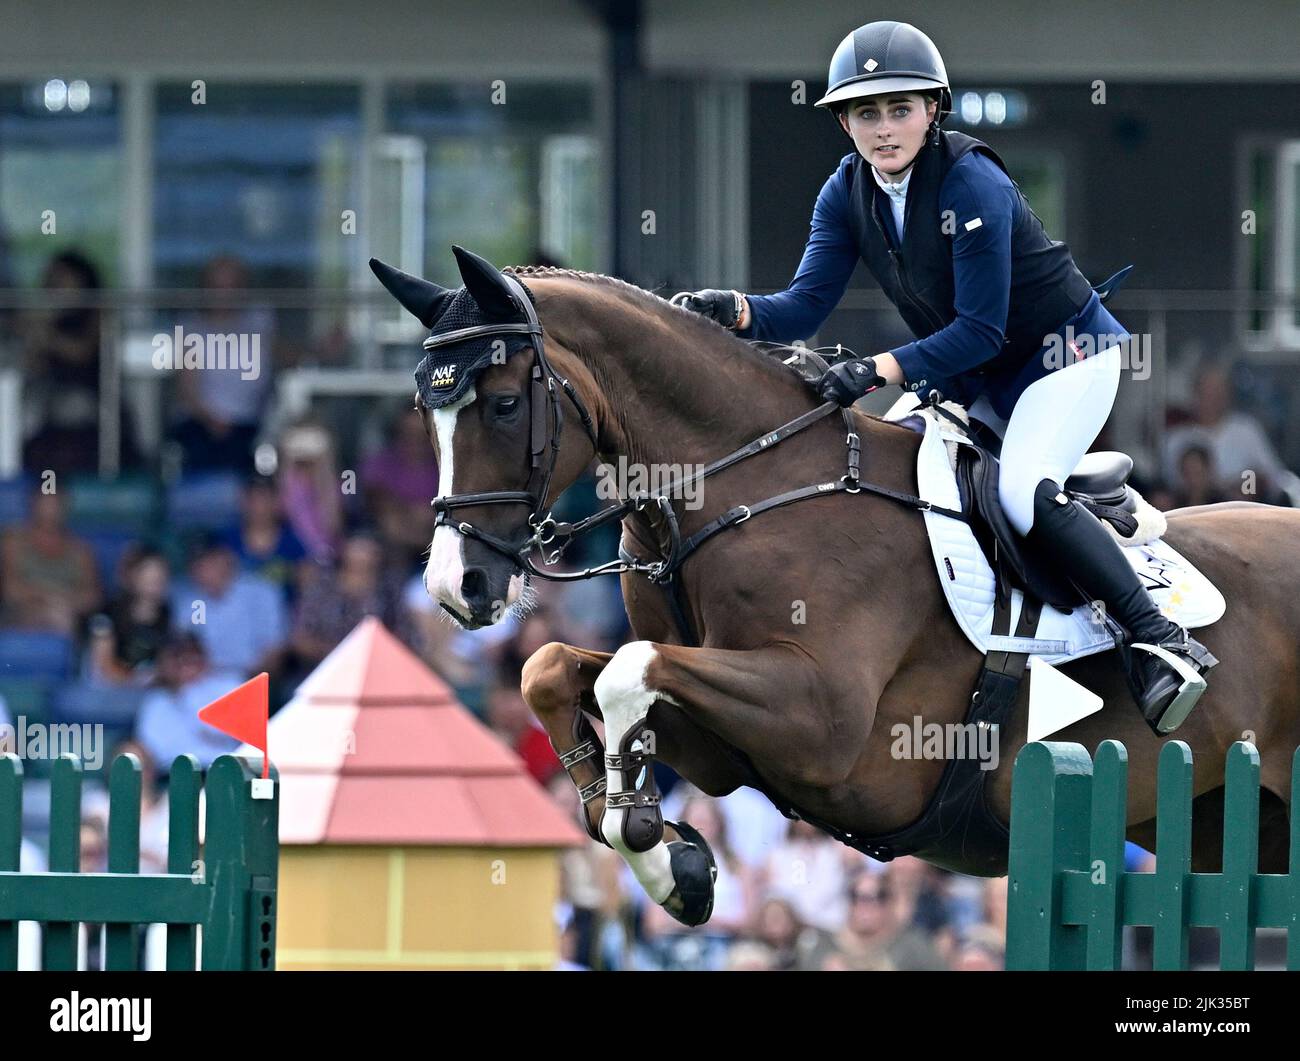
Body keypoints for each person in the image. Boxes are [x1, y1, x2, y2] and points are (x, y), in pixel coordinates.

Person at [671, 20, 1216, 734]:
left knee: (1021, 491)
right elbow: (803, 306)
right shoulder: (845, 194)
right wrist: (734, 309)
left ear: (934, 110)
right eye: (867, 112)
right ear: (844, 122)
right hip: (978, 376)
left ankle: (1158, 640)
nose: (885, 128)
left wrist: (876, 370)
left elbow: (983, 329)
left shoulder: (971, 180)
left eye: (901, 108)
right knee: (878, 476)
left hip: (1065, 360)